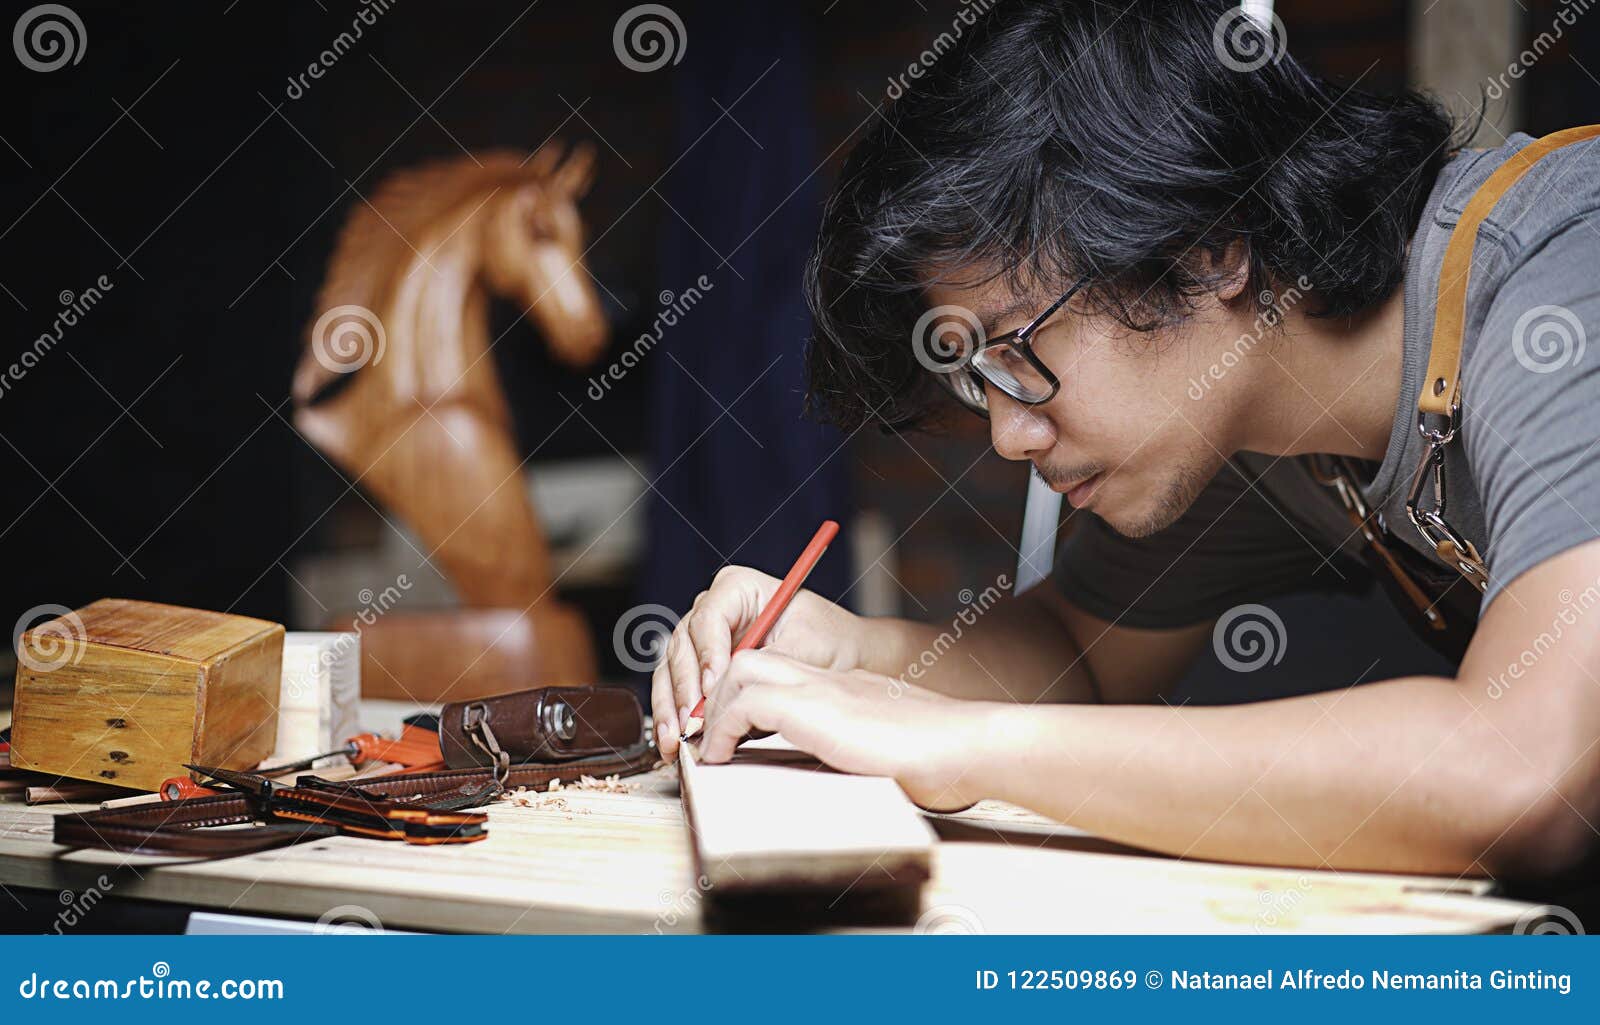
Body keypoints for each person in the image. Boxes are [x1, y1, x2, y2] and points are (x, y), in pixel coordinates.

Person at [651, 0, 1600, 877]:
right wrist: (853, 655)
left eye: (1020, 348)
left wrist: (956, 742)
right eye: (978, 375)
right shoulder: (1253, 422)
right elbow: (1081, 654)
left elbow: (1521, 771)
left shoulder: (1562, 275)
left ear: (1212, 248)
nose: (1011, 437)